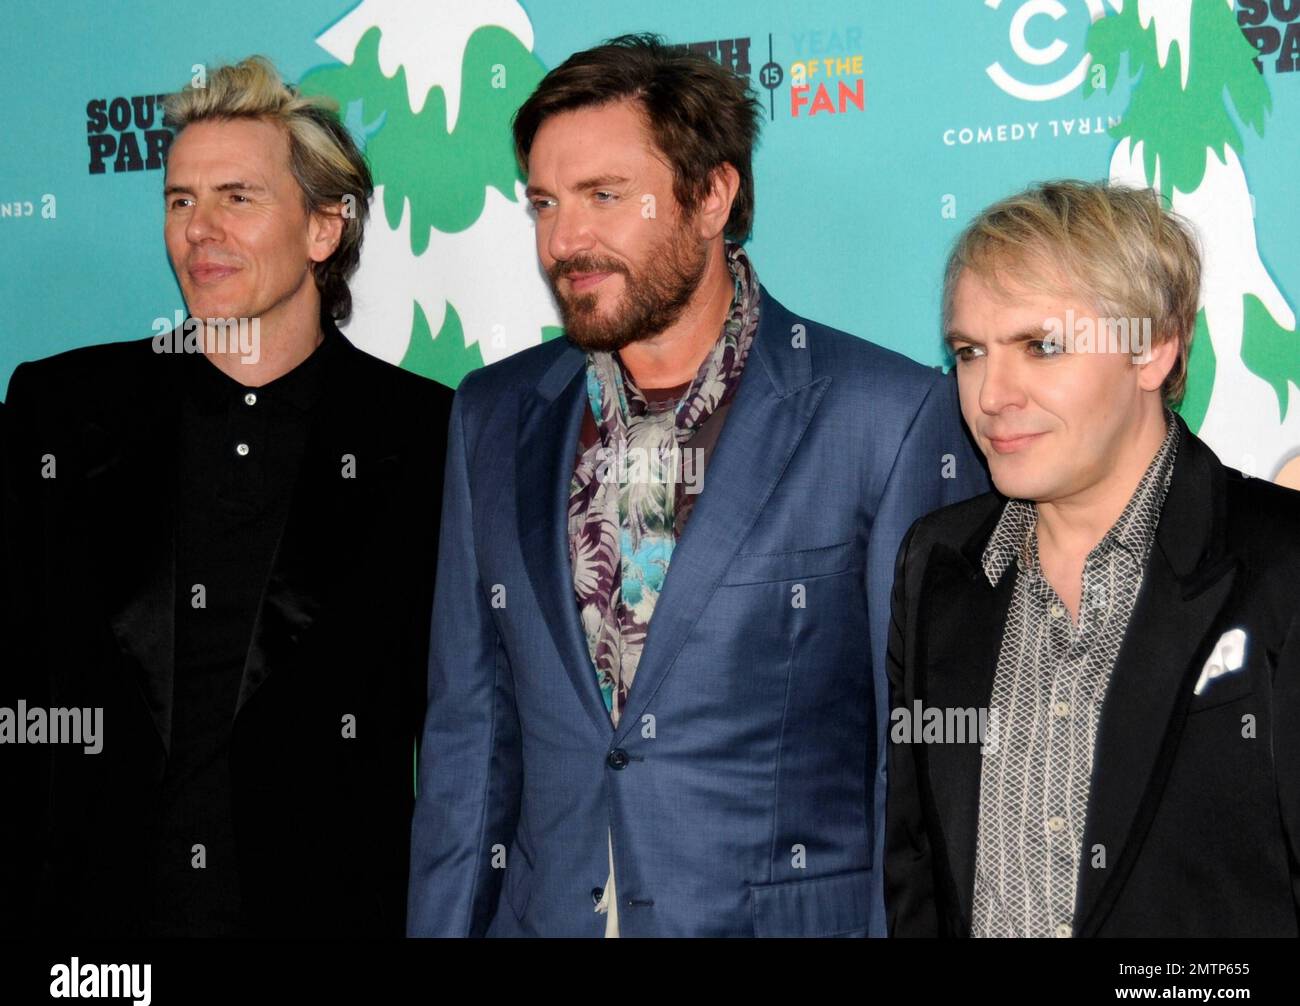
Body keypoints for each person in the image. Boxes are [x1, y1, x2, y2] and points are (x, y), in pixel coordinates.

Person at [407, 33, 983, 938]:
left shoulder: (885, 416)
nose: (566, 239)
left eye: (605, 195)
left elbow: (914, 765)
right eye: (546, 203)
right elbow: (468, 743)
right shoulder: (493, 414)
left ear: (713, 195)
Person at [0, 56, 452, 938]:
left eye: (237, 197)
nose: (198, 231)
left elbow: (464, 726)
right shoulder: (60, 410)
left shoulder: (428, 437)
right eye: (179, 200)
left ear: (326, 227)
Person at [885, 180, 1300, 937]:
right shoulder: (937, 567)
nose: (992, 394)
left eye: (1041, 346)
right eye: (969, 352)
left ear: (1154, 349)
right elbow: (917, 870)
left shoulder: (1280, 565)